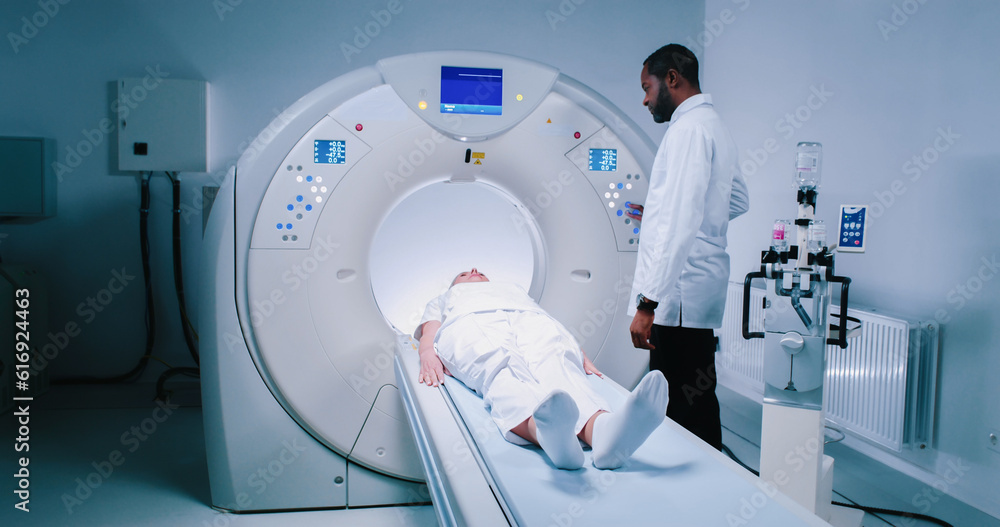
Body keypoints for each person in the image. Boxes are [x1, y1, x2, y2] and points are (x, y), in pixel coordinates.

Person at [415, 268, 669, 470]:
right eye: (463, 274)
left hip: (529, 320)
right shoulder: (444, 299)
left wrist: (575, 352)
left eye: (479, 270)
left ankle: (605, 436)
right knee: (500, 367)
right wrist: (427, 353)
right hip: (470, 322)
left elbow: (546, 320)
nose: (473, 269)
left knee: (557, 361)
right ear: (454, 286)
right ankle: (548, 436)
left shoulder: (512, 290)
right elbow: (430, 331)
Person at [626, 44, 749, 450]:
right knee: (696, 400)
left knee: (678, 407)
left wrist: (648, 304)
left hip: (674, 301)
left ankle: (693, 495)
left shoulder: (686, 130)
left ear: (672, 79)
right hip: (699, 292)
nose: (645, 99)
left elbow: (680, 221)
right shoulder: (714, 125)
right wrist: (668, 216)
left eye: (647, 87)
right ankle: (713, 487)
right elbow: (737, 200)